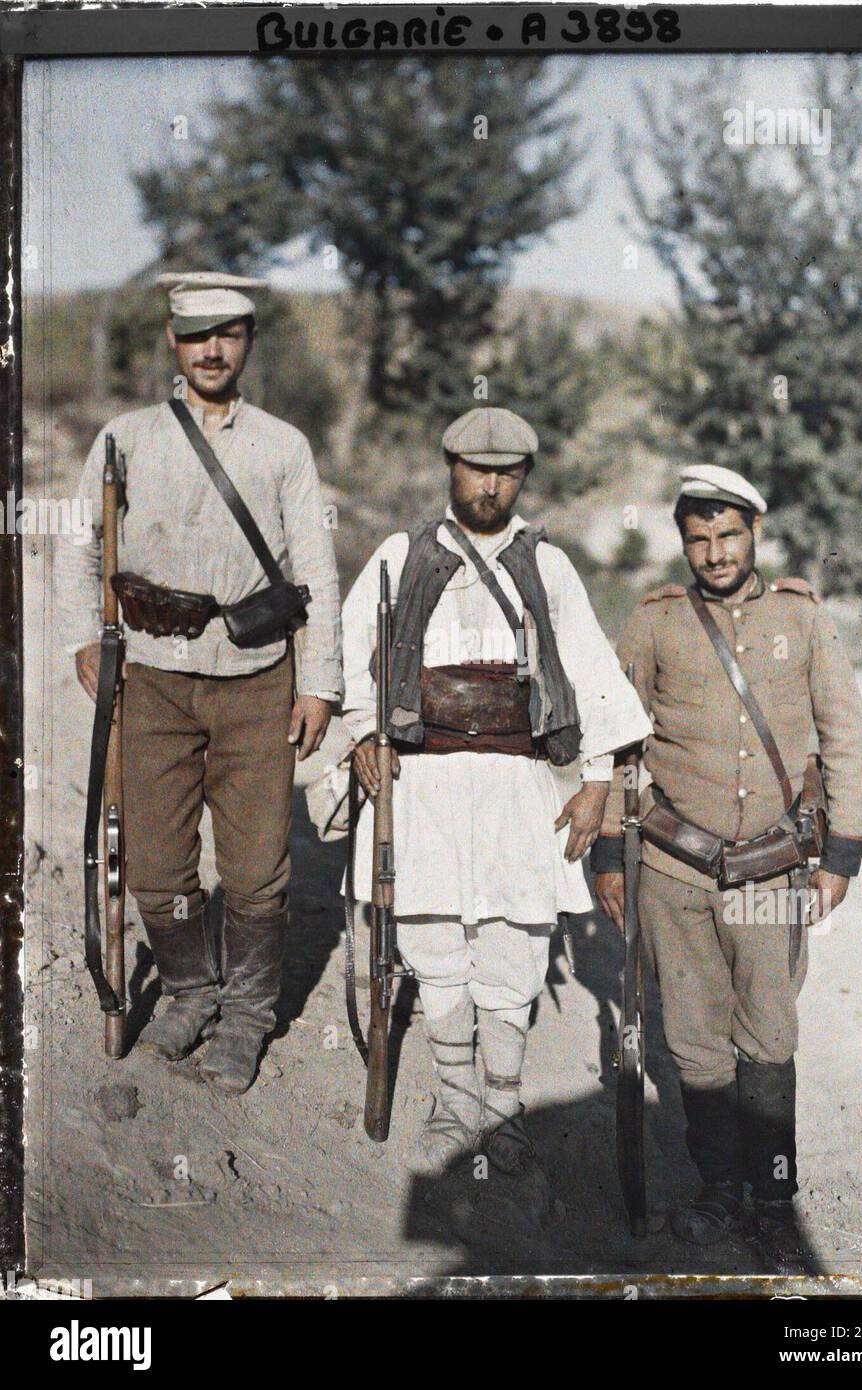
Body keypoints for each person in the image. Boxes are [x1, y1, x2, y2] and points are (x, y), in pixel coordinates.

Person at [341, 406, 650, 1174]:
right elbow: (349, 655)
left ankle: (503, 1105)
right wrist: (358, 732)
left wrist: (599, 783)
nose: (492, 483)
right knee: (433, 931)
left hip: (521, 781)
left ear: (524, 477)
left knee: (515, 938)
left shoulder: (549, 566)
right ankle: (454, 1099)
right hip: (425, 777)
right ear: (450, 466)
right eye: (478, 468)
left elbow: (593, 674)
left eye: (508, 470)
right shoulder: (399, 556)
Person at [57, 271, 343, 1093]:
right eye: (195, 336)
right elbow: (84, 548)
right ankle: (188, 991)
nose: (212, 350)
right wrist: (86, 637)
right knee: (154, 863)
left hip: (256, 679)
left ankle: (247, 1019)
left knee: (256, 869)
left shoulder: (283, 445)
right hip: (149, 675)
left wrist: (318, 684)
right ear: (172, 344)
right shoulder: (126, 436)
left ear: (249, 340)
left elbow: (314, 568)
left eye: (228, 334)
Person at [592, 464, 862, 1262]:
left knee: (770, 1039)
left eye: (728, 535)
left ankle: (774, 1202)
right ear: (683, 544)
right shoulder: (654, 623)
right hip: (675, 873)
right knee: (696, 1045)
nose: (715, 553)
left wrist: (840, 856)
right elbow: (618, 746)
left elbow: (846, 734)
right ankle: (719, 1190)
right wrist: (613, 852)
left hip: (770, 873)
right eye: (698, 539)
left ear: (755, 532)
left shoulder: (804, 619)